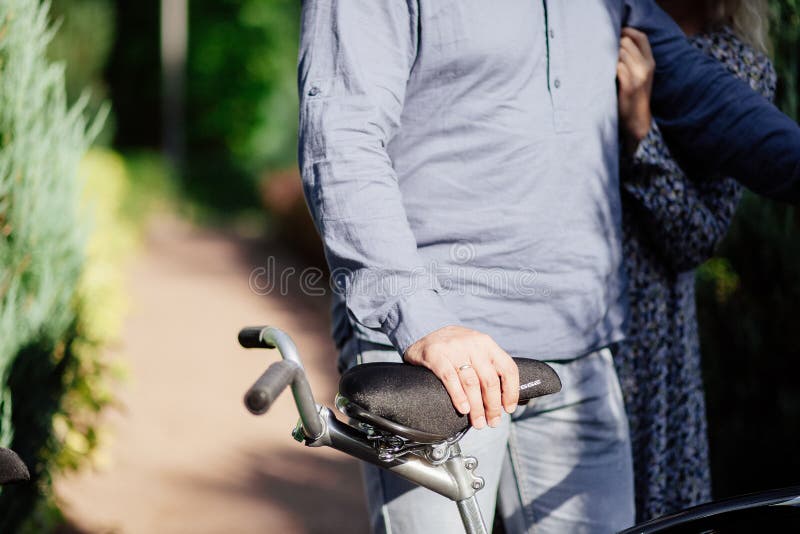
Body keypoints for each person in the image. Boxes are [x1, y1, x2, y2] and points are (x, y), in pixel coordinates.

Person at [297, 1, 800, 532]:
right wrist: (421, 319)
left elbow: (721, 107)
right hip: (438, 360)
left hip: (579, 363)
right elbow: (340, 141)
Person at [615, 0, 777, 522]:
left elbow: (696, 238)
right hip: (543, 301)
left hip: (647, 339)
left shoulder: (738, 66)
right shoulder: (589, 29)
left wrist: (640, 133)